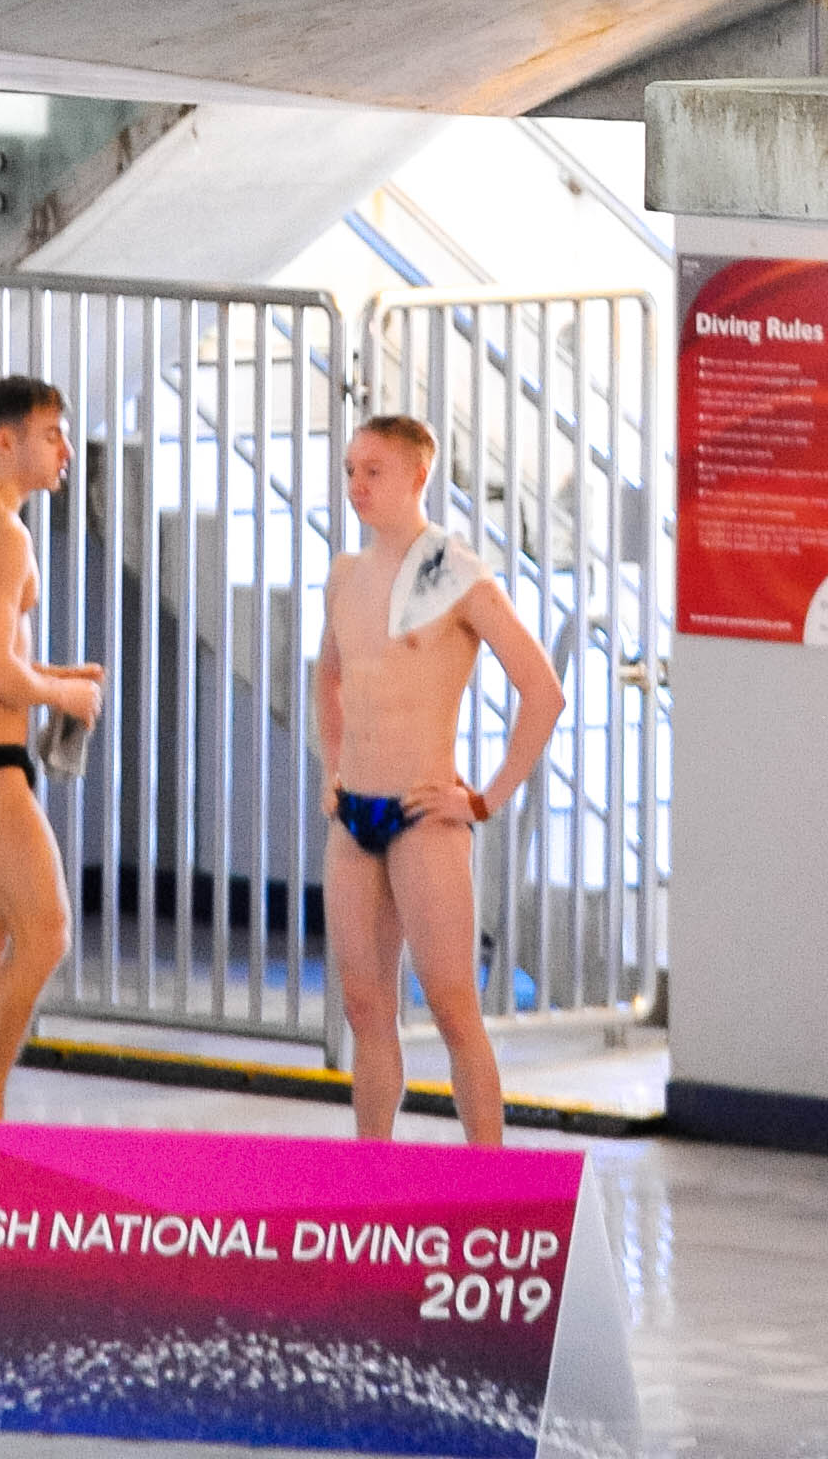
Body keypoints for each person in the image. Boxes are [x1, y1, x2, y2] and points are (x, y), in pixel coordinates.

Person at [313, 412, 565, 1148]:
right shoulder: (345, 575)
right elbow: (329, 679)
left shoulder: (456, 575)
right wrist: (331, 770)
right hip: (354, 816)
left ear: (418, 475)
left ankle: (489, 1183)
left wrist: (484, 798)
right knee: (365, 1012)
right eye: (351, 470)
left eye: (374, 471)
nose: (357, 484)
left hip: (425, 816)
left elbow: (543, 692)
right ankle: (372, 1176)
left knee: (455, 1010)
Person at [0, 374, 106, 1119]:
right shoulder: (4, 533)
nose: (67, 451)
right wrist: (65, 698)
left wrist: (57, 675)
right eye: (52, 435)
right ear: (4, 442)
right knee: (47, 933)